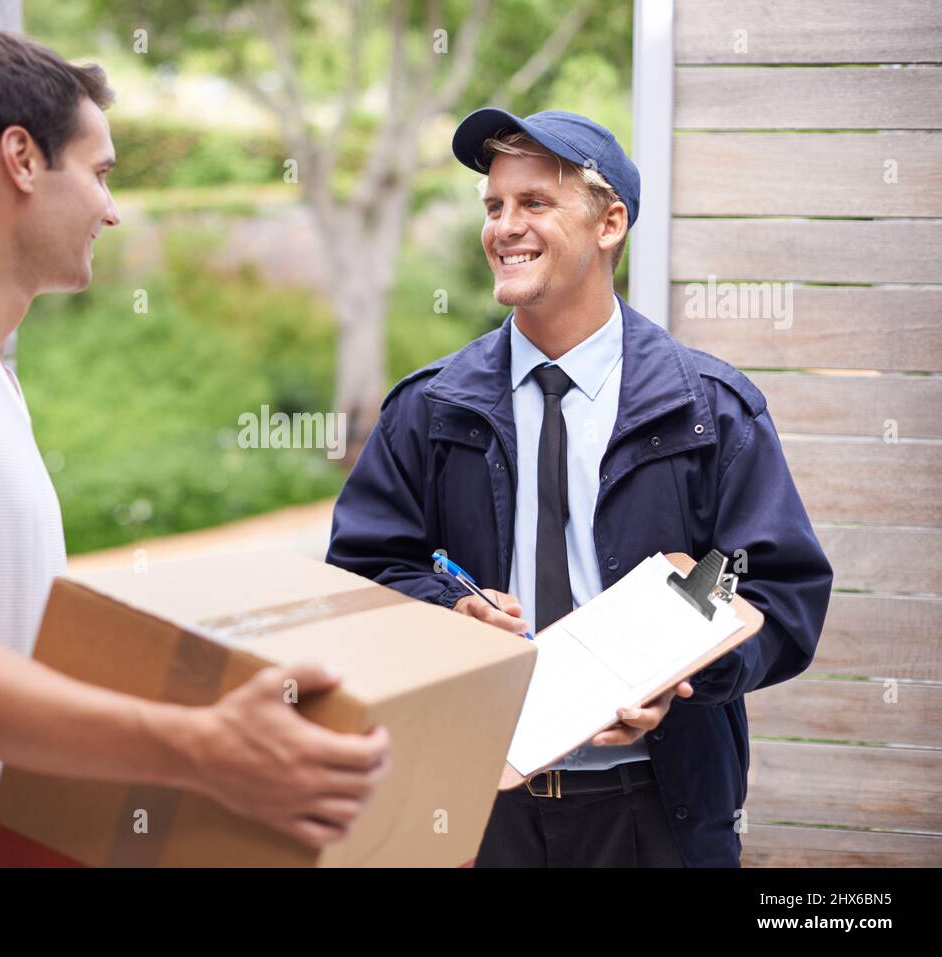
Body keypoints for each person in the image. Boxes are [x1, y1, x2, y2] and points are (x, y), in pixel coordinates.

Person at [0, 31, 389, 867]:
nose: (113, 209)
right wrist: (201, 746)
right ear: (19, 159)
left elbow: (10, 653)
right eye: (100, 173)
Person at [325, 108, 832, 867]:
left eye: (534, 203)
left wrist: (682, 674)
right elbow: (362, 576)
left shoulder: (713, 411)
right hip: (475, 811)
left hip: (659, 812)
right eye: (494, 206)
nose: (504, 226)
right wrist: (448, 611)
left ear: (609, 225)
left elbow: (777, 589)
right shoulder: (429, 409)